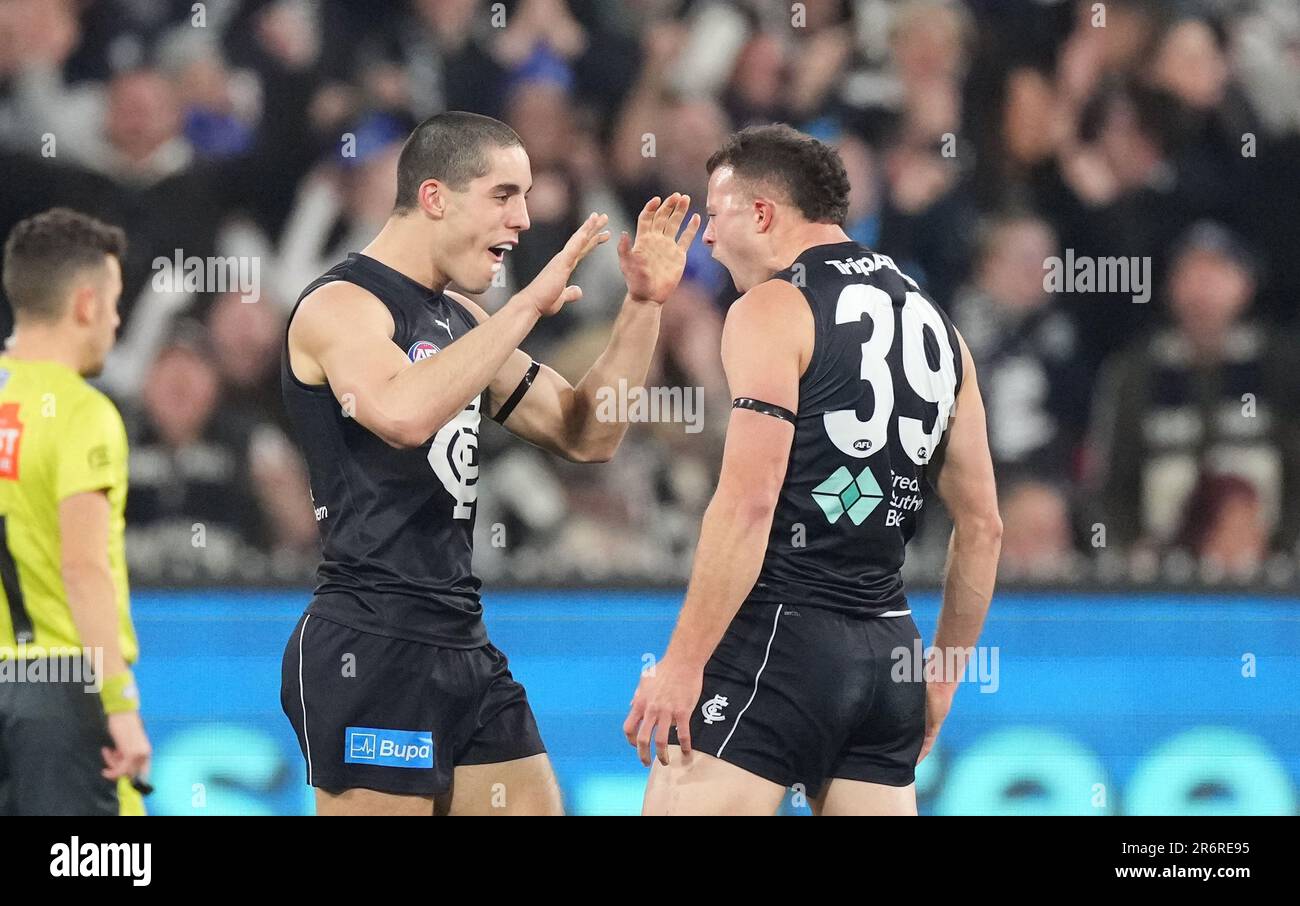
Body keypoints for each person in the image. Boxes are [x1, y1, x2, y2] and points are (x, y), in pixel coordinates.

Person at [280, 111, 698, 816]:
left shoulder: (461, 320)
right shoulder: (340, 306)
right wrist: (525, 310)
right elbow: (404, 413)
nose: (525, 219)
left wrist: (643, 307)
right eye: (505, 195)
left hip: (462, 640)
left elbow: (587, 434)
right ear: (436, 197)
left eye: (527, 196)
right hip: (370, 641)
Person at [624, 125, 1002, 815]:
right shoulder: (939, 326)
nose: (705, 237)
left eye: (717, 213)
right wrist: (942, 677)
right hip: (890, 651)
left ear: (763, 214)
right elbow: (983, 526)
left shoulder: (770, 309)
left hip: (780, 640)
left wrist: (680, 664)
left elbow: (748, 504)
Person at [0, 208, 150, 815]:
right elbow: (83, 568)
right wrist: (120, 707)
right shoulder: (83, 413)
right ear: (85, 304)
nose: (117, 321)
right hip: (62, 692)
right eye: (114, 302)